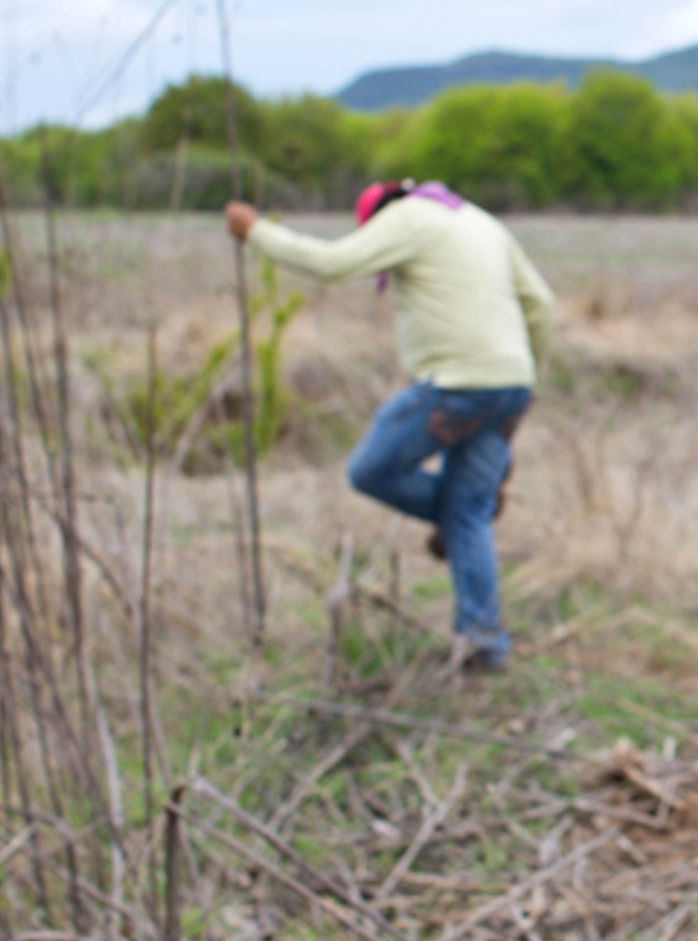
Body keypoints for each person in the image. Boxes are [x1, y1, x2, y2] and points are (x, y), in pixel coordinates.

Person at [224, 180, 557, 672]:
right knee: (470, 513)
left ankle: (456, 521)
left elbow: (331, 264)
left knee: (369, 470)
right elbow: (542, 304)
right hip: (510, 384)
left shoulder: (408, 217)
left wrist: (255, 233)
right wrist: (524, 378)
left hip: (455, 385)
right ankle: (484, 646)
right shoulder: (480, 219)